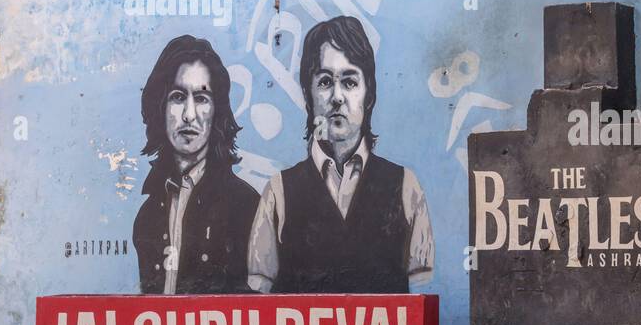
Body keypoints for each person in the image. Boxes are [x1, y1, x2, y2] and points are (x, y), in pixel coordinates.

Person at [248, 16, 434, 293]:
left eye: (349, 82)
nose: (337, 97)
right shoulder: (279, 193)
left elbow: (423, 291)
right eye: (324, 82)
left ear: (368, 93)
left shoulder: (405, 187)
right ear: (307, 94)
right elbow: (259, 295)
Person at [133, 36, 259, 293]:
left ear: (217, 111)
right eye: (178, 97)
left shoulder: (245, 206)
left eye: (201, 98)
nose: (189, 115)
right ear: (161, 106)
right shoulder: (146, 217)